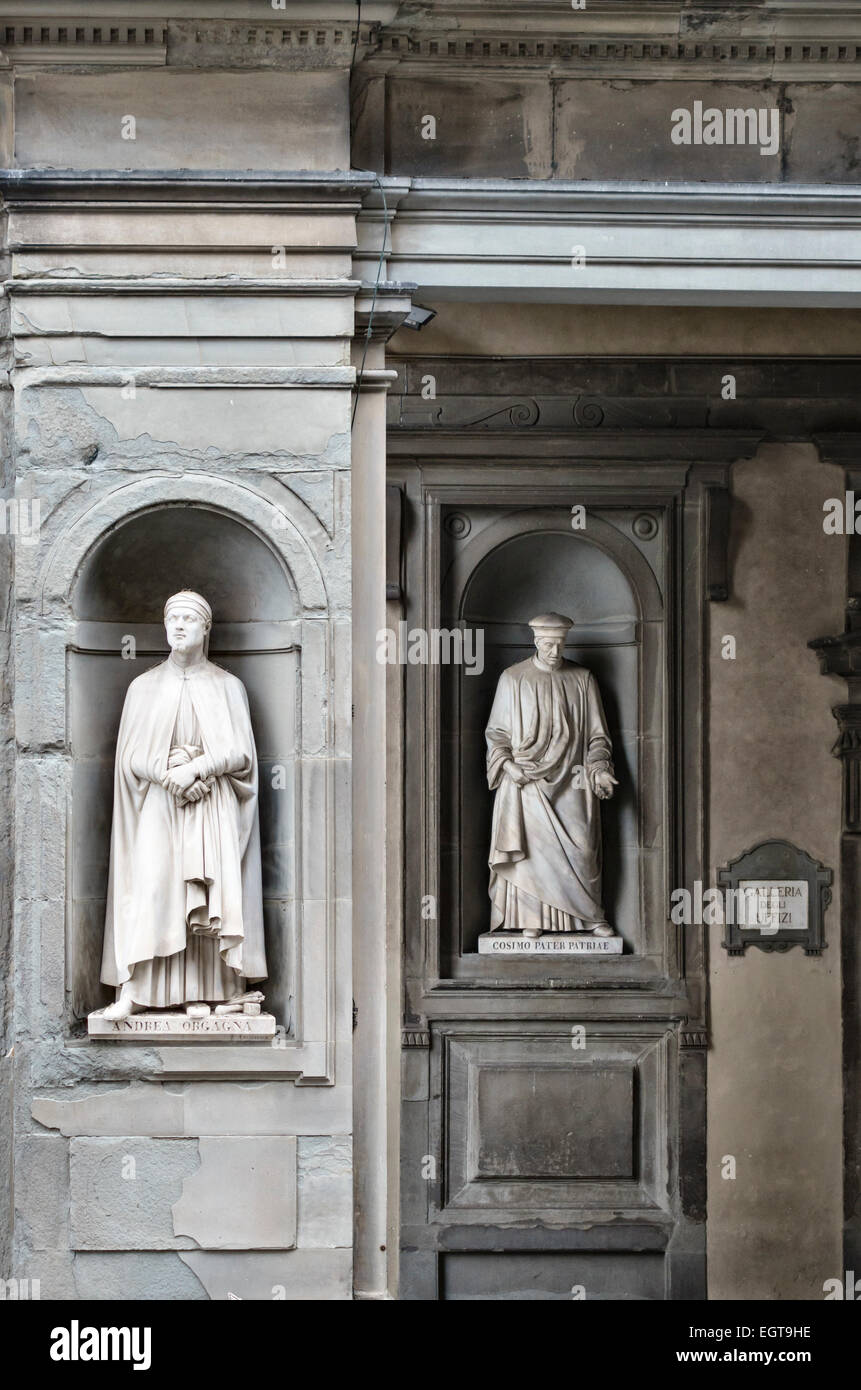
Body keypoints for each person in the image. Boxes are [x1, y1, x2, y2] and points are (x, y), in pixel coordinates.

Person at [100, 590, 267, 1020]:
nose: (178, 626)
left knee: (208, 896)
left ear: (205, 628)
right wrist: (167, 773)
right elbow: (129, 758)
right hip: (160, 805)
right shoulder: (144, 686)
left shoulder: (228, 686)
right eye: (171, 618)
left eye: (188, 619)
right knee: (156, 888)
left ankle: (203, 990)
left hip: (211, 803)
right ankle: (137, 989)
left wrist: (198, 770)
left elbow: (242, 755)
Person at [485, 612, 618, 939]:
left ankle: (589, 916)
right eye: (547, 644)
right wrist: (507, 765)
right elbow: (496, 734)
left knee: (584, 849)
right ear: (535, 642)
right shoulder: (513, 678)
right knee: (531, 853)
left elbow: (597, 737)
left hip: (573, 781)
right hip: (525, 782)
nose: (554, 651)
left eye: (559, 644)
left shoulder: (582, 679)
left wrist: (599, 767)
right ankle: (533, 916)